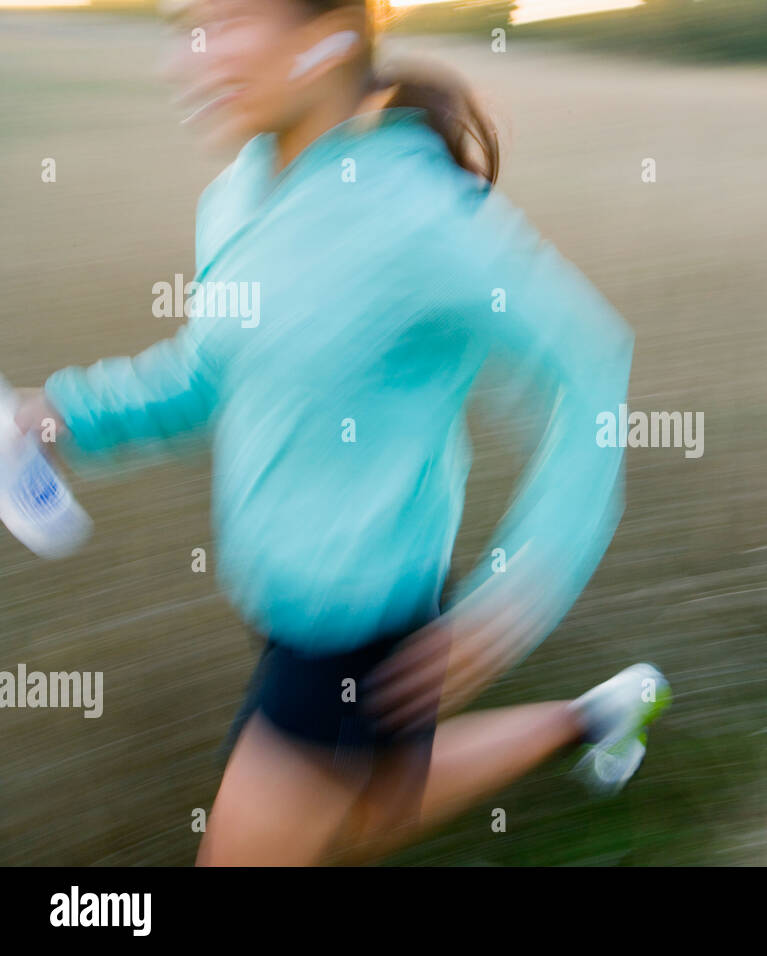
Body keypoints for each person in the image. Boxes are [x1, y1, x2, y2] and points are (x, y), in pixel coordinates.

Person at [11, 0, 670, 866]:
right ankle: (598, 715)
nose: (189, 60)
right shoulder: (238, 192)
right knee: (372, 815)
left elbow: (588, 363)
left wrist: (522, 587)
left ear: (326, 38)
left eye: (225, 19)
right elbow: (213, 371)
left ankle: (593, 715)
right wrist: (62, 414)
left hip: (354, 621)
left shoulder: (418, 214)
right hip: (282, 598)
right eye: (185, 26)